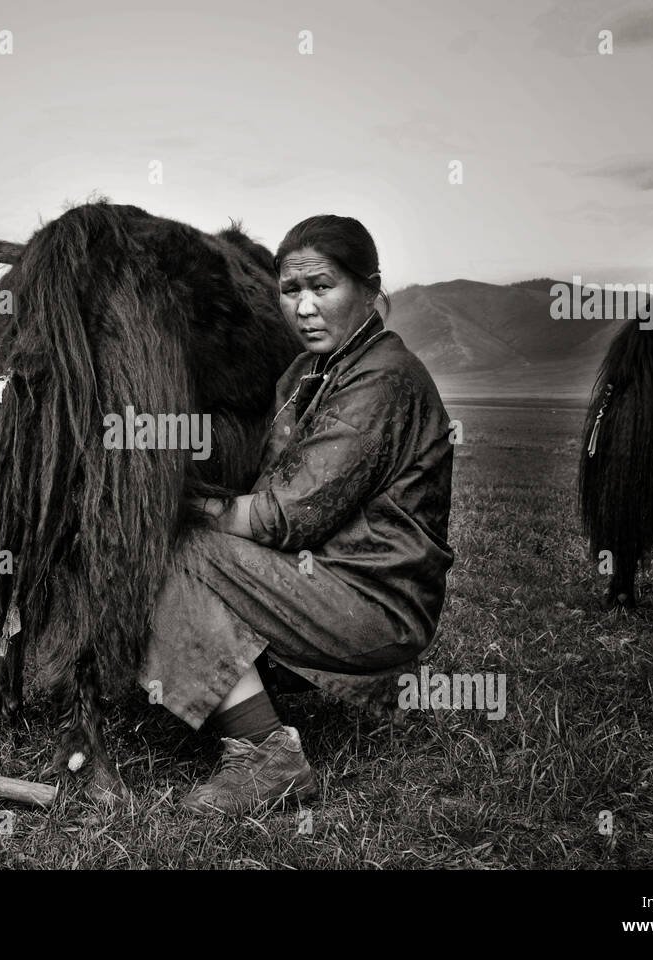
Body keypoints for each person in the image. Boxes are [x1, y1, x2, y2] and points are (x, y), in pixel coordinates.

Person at [140, 214, 455, 815]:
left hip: (376, 602)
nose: (305, 307)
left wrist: (177, 503)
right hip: (329, 581)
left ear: (370, 288)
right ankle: (251, 680)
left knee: (181, 548)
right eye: (291, 291)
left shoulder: (383, 380)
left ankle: (265, 757)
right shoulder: (303, 374)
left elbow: (286, 515)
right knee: (188, 542)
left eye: (323, 286)